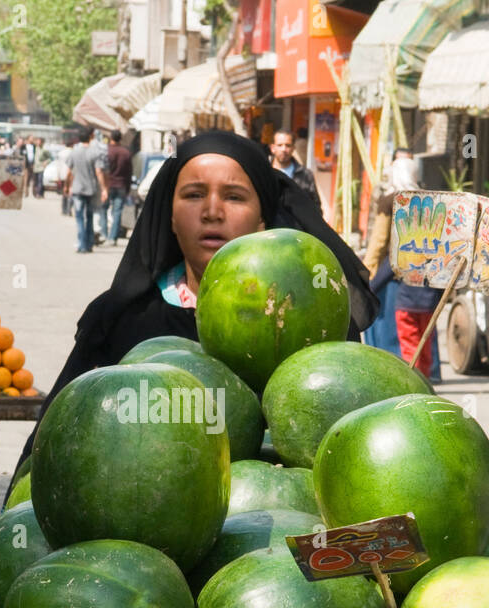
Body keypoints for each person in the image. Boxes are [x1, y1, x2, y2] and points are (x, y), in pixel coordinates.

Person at [21, 131, 380, 465]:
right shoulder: (119, 319)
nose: (212, 211)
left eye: (234, 197)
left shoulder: (315, 324)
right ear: (171, 215)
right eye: (193, 195)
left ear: (262, 221)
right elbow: (54, 441)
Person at [362, 155, 443, 380]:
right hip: (423, 278)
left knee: (399, 332)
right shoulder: (430, 202)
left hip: (394, 275)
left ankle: (400, 375)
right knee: (424, 330)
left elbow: (379, 243)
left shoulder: (391, 201)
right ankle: (428, 373)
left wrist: (368, 275)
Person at [65, 126, 107, 253]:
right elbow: (99, 172)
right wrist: (104, 189)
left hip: (77, 189)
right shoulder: (95, 153)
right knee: (89, 216)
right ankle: (88, 244)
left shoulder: (74, 152)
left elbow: (69, 172)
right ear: (91, 137)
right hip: (91, 190)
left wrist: (67, 186)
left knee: (79, 217)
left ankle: (82, 244)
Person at [270, 130, 320, 207]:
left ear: (293, 148)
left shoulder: (305, 175)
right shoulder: (264, 172)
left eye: (288, 145)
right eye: (280, 145)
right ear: (273, 148)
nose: (284, 149)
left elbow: (315, 205)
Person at [101, 130, 132, 246]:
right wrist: (128, 188)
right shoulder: (126, 153)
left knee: (103, 209)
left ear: (110, 138)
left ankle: (104, 234)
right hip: (121, 185)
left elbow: (101, 169)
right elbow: (129, 173)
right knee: (117, 212)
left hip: (107, 185)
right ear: (121, 138)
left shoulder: (106, 151)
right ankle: (113, 238)